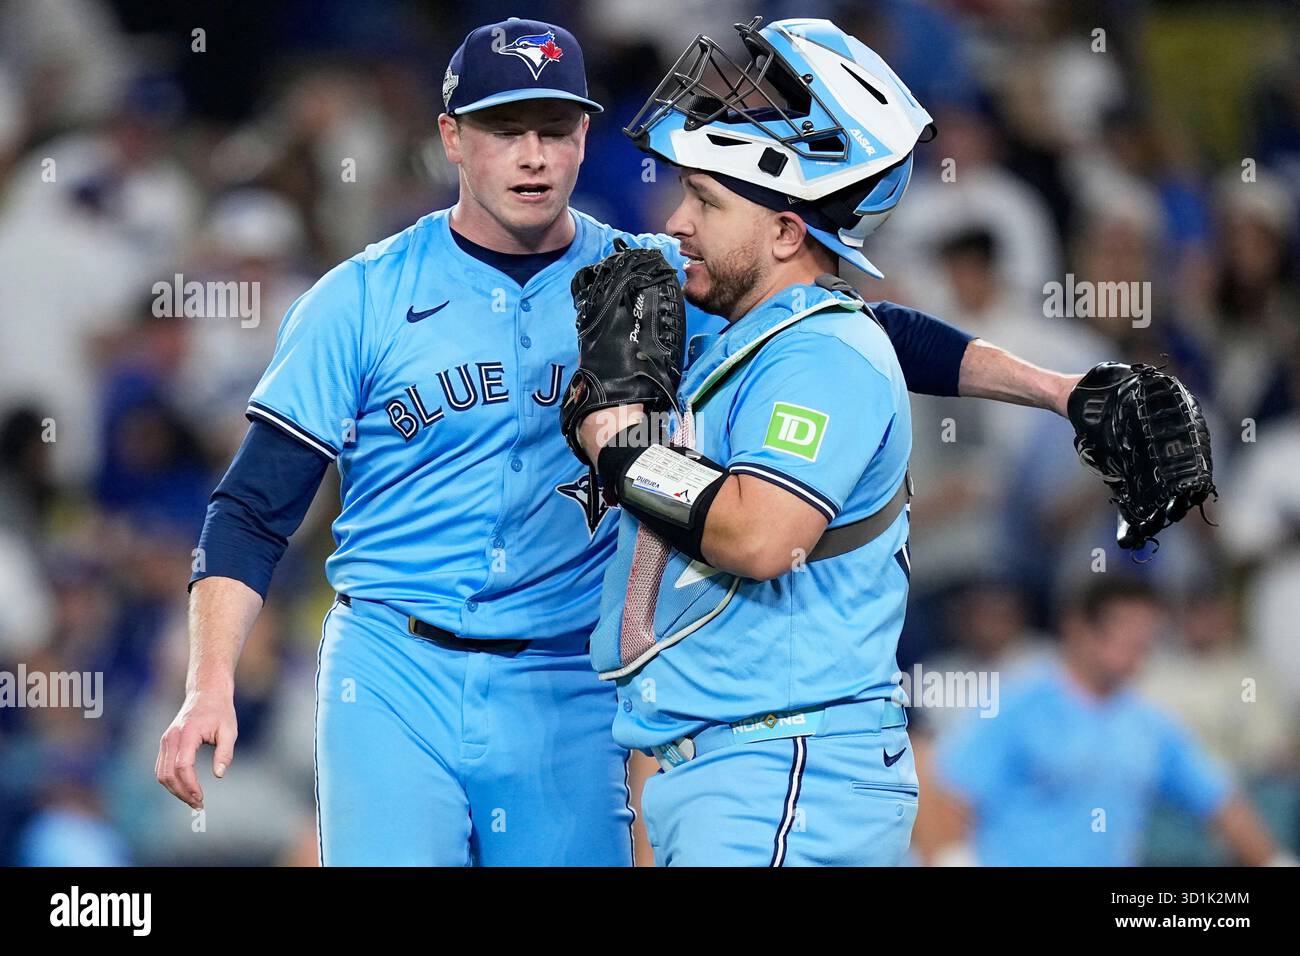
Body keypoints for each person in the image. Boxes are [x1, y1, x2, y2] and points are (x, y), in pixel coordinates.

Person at [157, 16, 1087, 866]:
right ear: (451, 138)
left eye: (556, 130)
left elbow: (847, 324)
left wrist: (1049, 386)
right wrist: (210, 681)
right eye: (502, 128)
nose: (533, 156)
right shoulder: (358, 299)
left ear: (584, 138)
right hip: (394, 669)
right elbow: (253, 506)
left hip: (569, 680)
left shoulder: (643, 277)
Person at [570, 16, 934, 866]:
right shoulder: (752, 333)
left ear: (785, 233)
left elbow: (760, 535)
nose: (675, 220)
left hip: (785, 767)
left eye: (705, 200)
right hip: (742, 767)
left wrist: (620, 451)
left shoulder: (823, 354)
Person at [923, 579, 1291, 866]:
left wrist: (1277, 863)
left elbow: (1222, 805)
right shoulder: (1016, 707)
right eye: (1124, 633)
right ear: (1079, 629)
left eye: (1145, 638)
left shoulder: (1150, 726)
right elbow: (948, 795)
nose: (1135, 648)